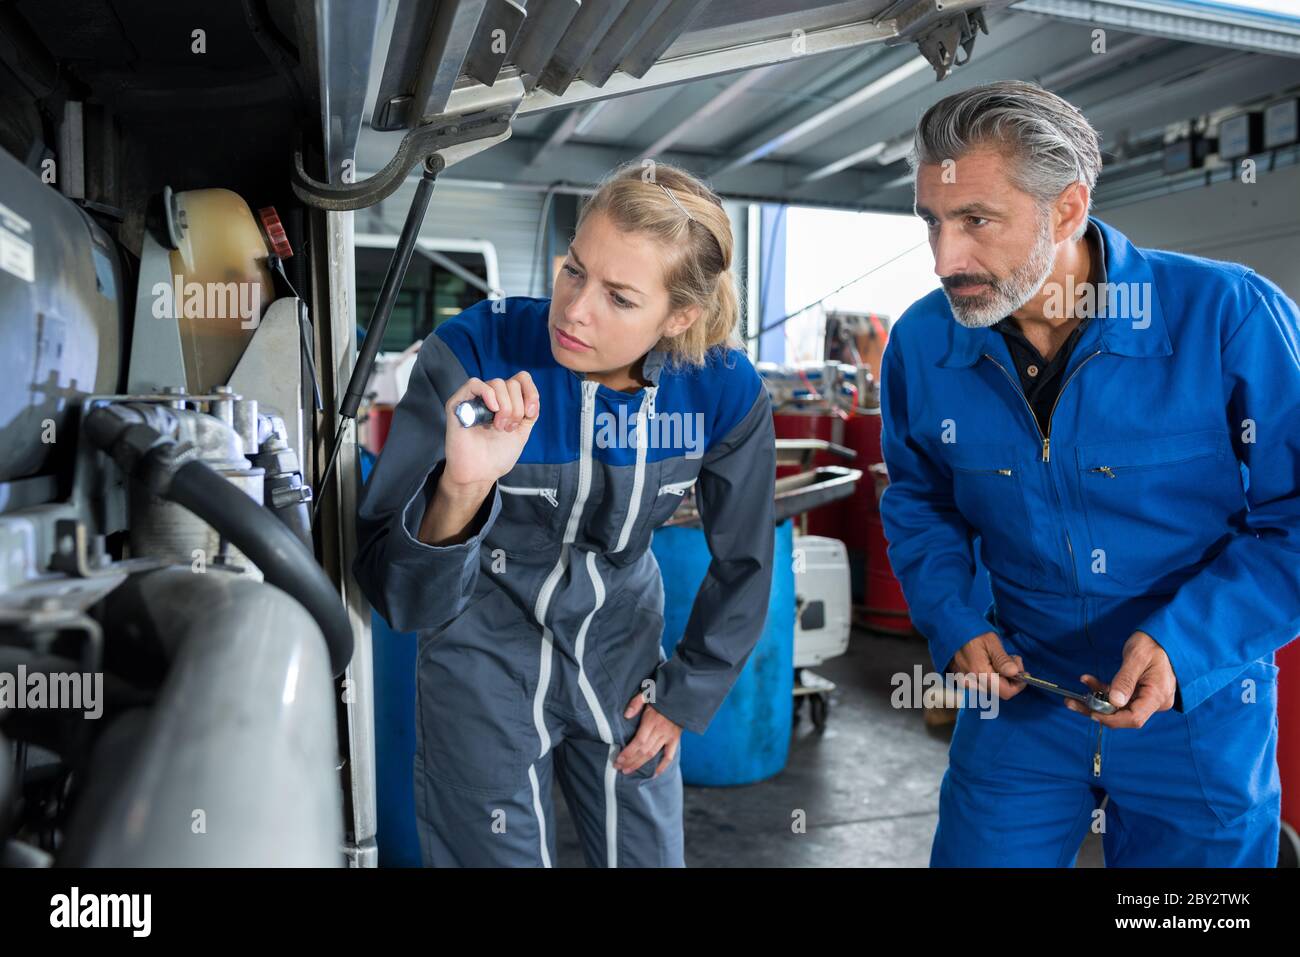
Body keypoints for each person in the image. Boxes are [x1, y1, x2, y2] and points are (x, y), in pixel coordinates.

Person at [878, 80, 1300, 866]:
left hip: (1198, 707)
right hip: (1021, 695)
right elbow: (920, 500)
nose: (945, 258)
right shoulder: (922, 344)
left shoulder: (1227, 316)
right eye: (931, 221)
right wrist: (953, 617)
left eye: (976, 221)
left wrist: (1187, 645)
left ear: (1066, 210)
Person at [352, 161, 776, 867]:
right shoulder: (475, 351)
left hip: (625, 657)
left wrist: (685, 692)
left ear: (679, 317)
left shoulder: (723, 389)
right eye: (574, 270)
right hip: (479, 658)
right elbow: (398, 594)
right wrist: (462, 487)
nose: (575, 309)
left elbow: (747, 562)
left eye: (619, 296)